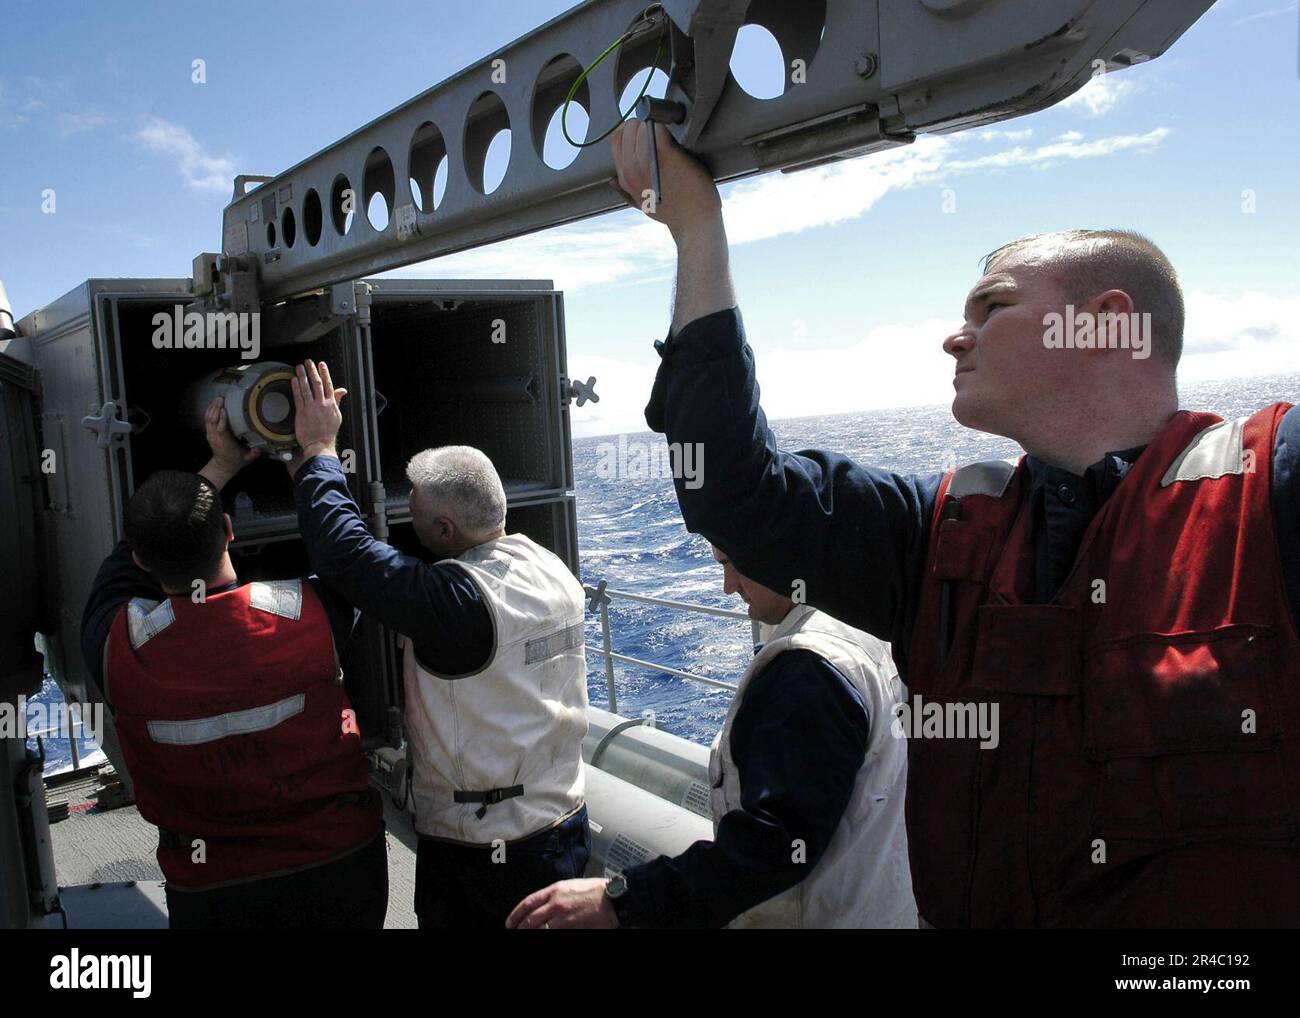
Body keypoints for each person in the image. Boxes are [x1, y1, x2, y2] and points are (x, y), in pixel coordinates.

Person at [601, 120, 1300, 928]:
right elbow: (732, 493)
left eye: (992, 306)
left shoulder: (1268, 496)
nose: (951, 334)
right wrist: (695, 226)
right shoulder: (938, 536)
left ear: (1107, 324)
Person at [285, 359, 591, 929]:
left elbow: (345, 556)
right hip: (562, 824)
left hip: (483, 854)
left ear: (445, 531)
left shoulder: (458, 604)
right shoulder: (550, 568)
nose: (410, 526)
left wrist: (320, 451)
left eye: (417, 516)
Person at [80, 398, 386, 929]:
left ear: (140, 562)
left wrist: (221, 465)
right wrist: (314, 450)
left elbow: (121, 567)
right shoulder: (311, 614)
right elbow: (348, 556)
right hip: (340, 868)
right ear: (228, 529)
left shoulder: (115, 648)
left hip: (212, 887)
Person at [507, 544, 915, 929]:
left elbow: (771, 848)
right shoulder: (861, 620)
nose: (728, 585)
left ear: (785, 546)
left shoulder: (809, 672)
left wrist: (618, 901)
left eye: (732, 563)